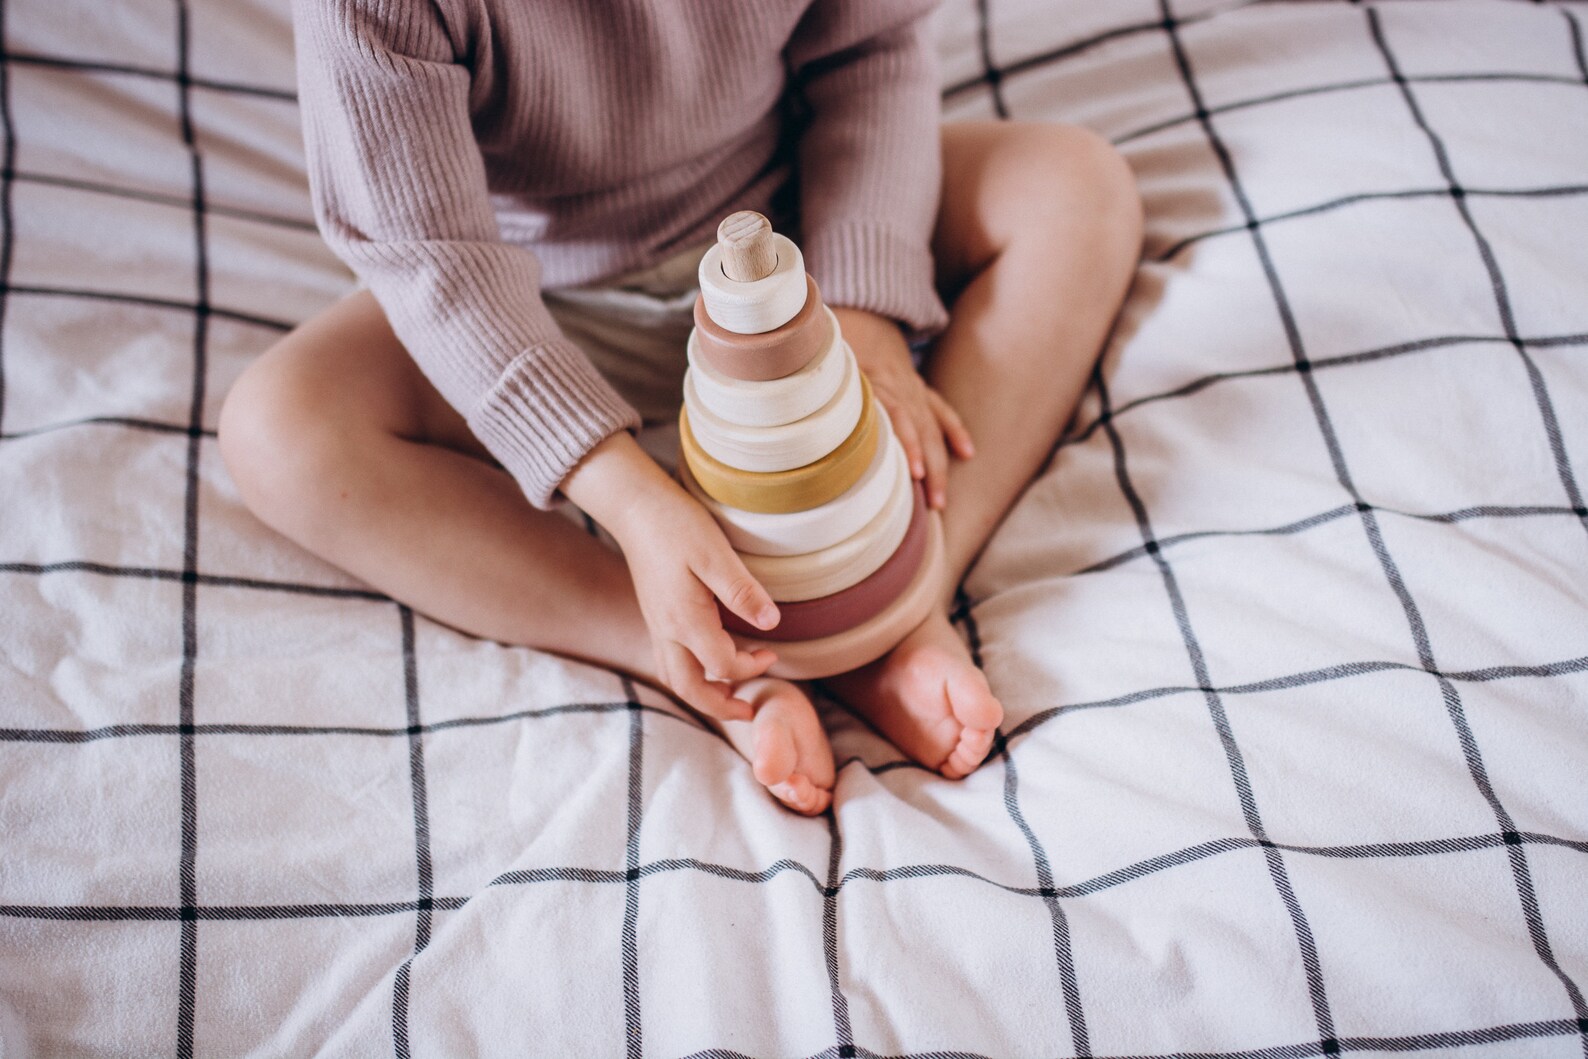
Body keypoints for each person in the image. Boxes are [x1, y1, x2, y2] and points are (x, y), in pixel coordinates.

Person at [218, 0, 1143, 815]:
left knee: (1074, 187)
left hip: (793, 228)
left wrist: (864, 314)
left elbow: (873, 51)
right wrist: (627, 497)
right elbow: (430, 256)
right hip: (542, 302)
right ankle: (708, 655)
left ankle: (900, 594)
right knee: (281, 427)